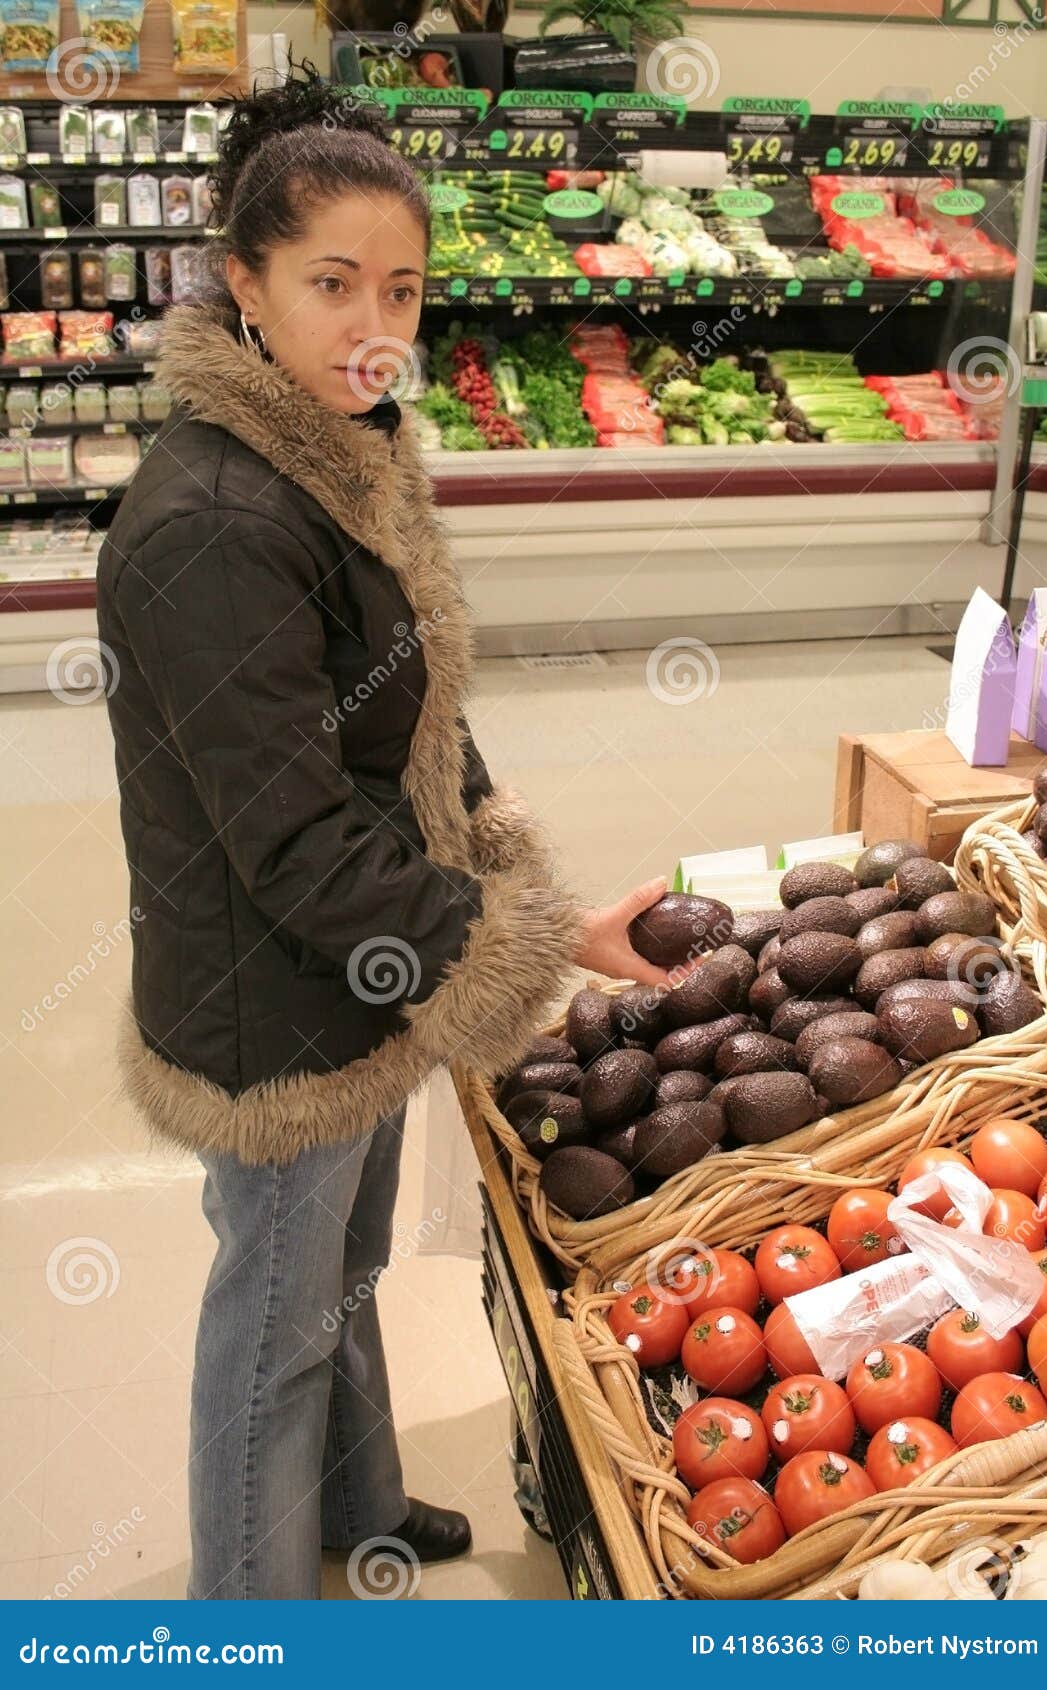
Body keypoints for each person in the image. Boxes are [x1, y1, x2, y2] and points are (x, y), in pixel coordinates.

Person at [95, 69, 677, 1601]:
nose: (374, 322)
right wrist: (513, 946)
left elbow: (408, 710)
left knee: (341, 1281)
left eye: (402, 289)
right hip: (279, 999)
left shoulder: (341, 445)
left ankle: (354, 1509)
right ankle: (250, 1615)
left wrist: (506, 872)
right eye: (332, 282)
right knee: (275, 1333)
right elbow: (293, 842)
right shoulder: (220, 521)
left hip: (367, 964)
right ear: (245, 285)